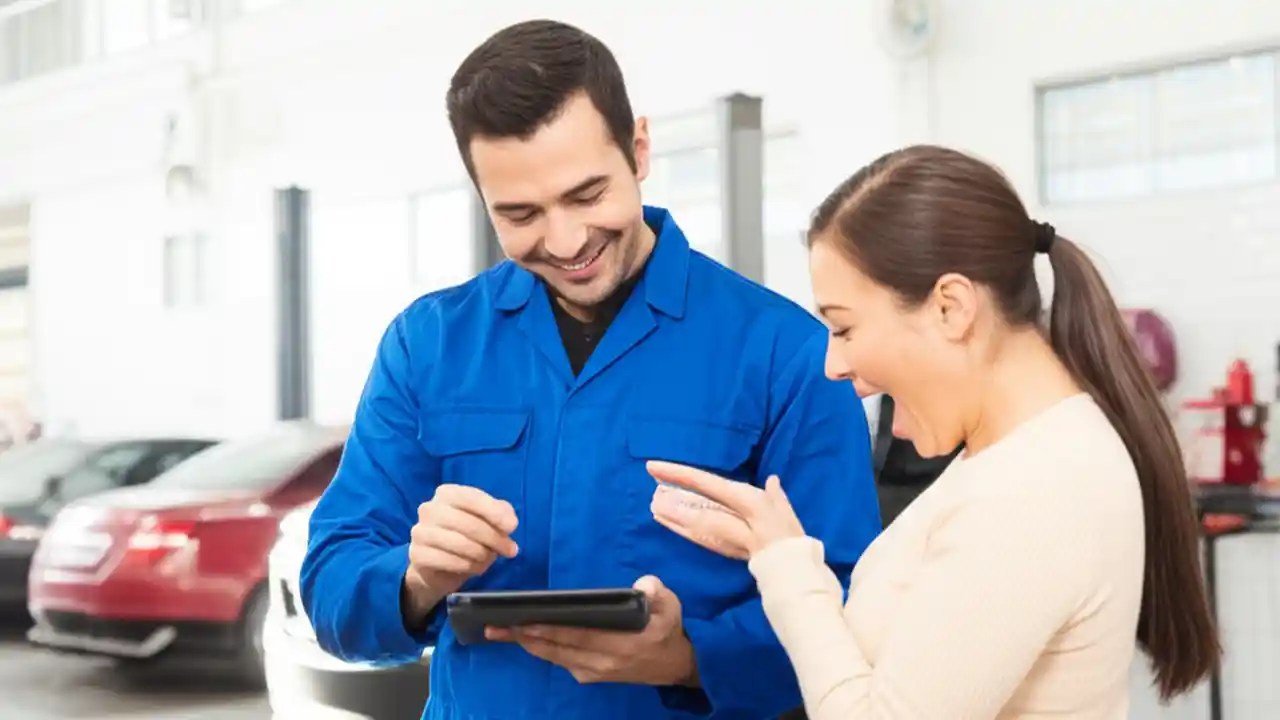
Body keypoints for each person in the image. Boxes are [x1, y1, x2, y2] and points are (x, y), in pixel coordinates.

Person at [299, 19, 882, 720]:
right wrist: (415, 577)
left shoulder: (786, 353)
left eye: (585, 196)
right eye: (520, 214)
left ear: (638, 149)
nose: (568, 241)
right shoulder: (427, 345)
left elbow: (855, 602)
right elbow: (332, 588)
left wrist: (690, 658)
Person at [648, 145, 1221, 719]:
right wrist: (772, 549)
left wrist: (785, 564)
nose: (832, 365)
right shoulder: (1014, 455)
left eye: (844, 327)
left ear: (950, 307)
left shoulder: (1034, 489)